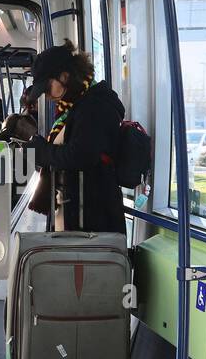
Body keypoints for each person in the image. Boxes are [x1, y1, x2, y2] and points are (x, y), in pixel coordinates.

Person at [19, 40, 127, 234]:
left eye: (47, 88)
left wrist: (42, 151)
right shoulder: (75, 106)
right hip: (78, 215)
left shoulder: (96, 106)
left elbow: (80, 155)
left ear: (64, 76)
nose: (47, 96)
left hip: (94, 223)